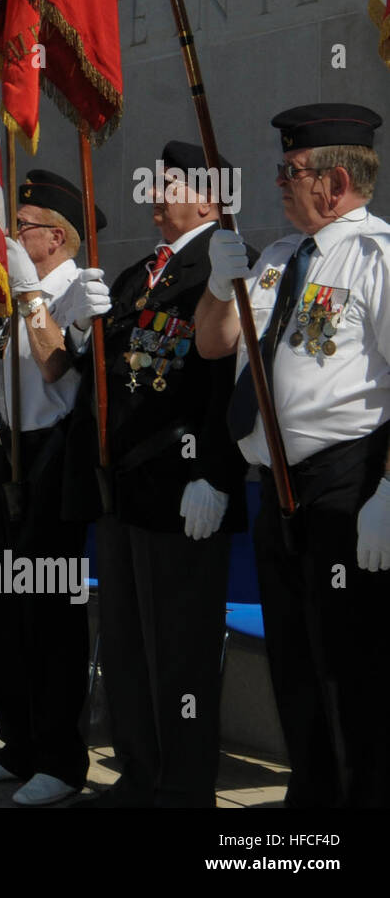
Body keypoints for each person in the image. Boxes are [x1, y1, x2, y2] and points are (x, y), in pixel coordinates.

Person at [195, 103, 390, 808]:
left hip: (348, 486)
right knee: (294, 666)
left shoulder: (379, 257)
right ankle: (309, 811)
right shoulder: (278, 257)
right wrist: (220, 287)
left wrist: (387, 490)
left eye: (291, 170)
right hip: (273, 486)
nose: (279, 180)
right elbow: (214, 344)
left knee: (350, 669)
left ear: (335, 182)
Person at [67, 142, 253, 807]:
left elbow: (233, 383)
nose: (154, 192)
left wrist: (219, 474)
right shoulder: (137, 274)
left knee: (181, 654)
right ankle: (139, 774)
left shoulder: (223, 262)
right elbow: (104, 375)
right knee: (126, 644)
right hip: (126, 486)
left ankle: (181, 790)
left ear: (208, 197)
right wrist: (75, 325)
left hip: (185, 487)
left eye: (167, 183)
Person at [0, 171, 110, 806]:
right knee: (8, 611)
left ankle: (60, 759)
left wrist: (31, 299)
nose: (11, 237)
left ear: (59, 235)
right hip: (7, 460)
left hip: (51, 462)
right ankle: (17, 742)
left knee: (51, 615)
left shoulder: (78, 291)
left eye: (22, 227)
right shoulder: (11, 291)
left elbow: (58, 367)